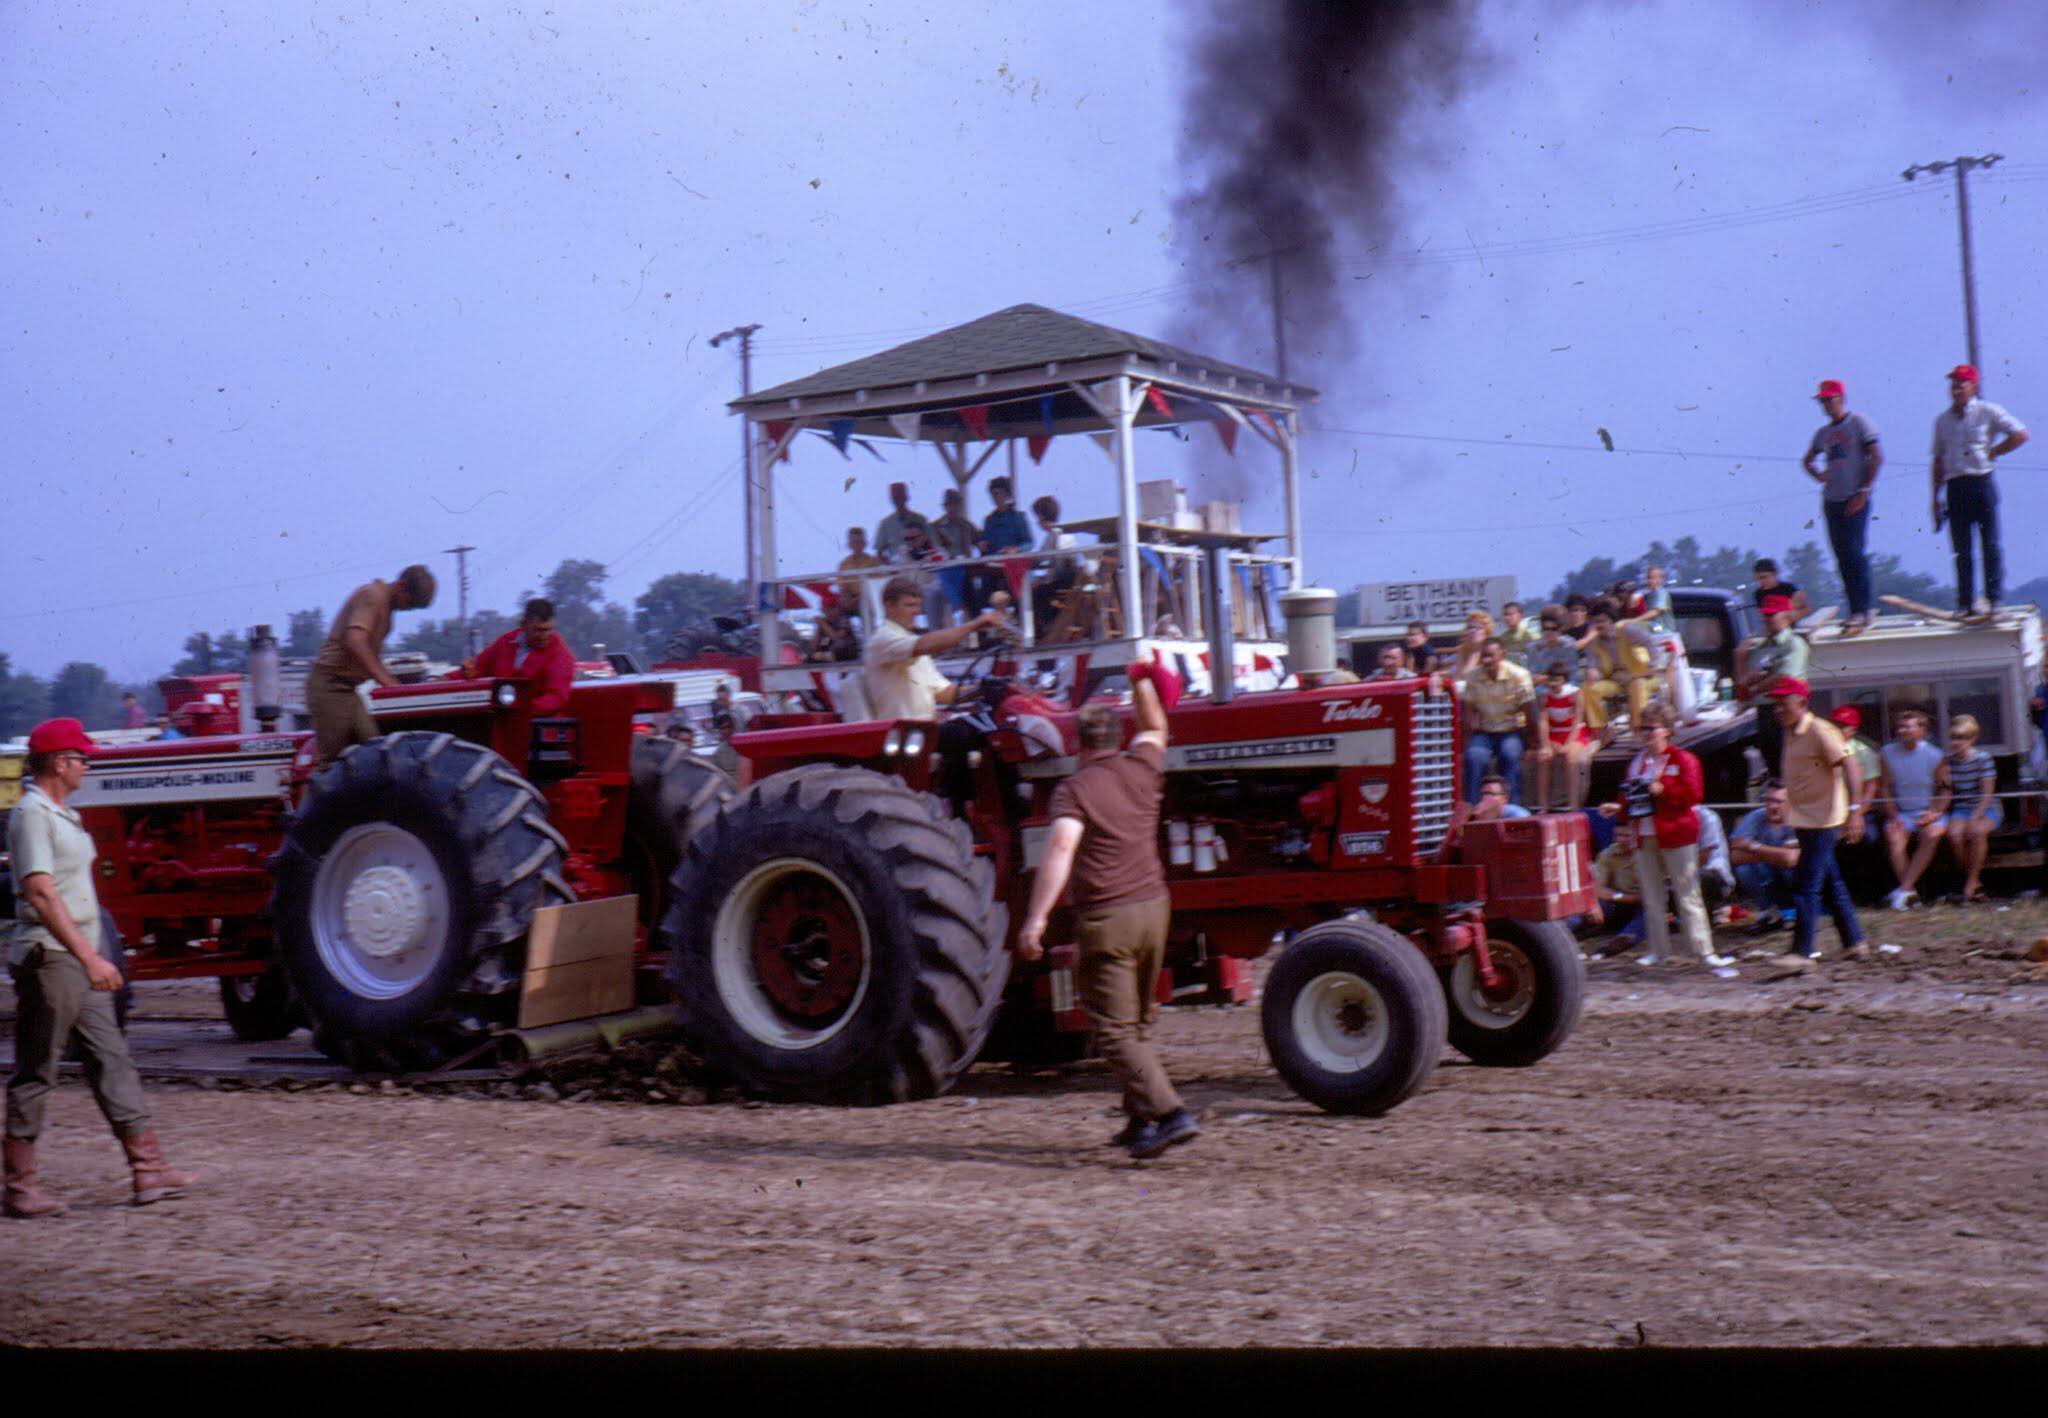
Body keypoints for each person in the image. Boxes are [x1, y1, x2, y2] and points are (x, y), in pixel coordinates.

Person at [6, 720, 199, 1218]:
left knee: (112, 1058)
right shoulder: (33, 816)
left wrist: (93, 955)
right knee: (37, 1070)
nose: (87, 765)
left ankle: (148, 1170)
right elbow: (41, 893)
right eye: (81, 758)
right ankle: (20, 1185)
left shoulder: (62, 814)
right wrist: (90, 957)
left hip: (78, 955)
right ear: (58, 763)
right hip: (51, 956)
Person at [1016, 656, 1198, 1161]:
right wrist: (1140, 681)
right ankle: (1140, 1124)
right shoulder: (1143, 765)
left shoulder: (1074, 789)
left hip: (1108, 918)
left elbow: (1059, 851)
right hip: (1154, 908)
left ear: (1077, 744)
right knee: (1136, 1023)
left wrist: (1036, 919)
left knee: (1113, 1029)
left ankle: (1170, 1114)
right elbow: (1157, 724)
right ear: (1117, 736)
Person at [1599, 702, 1717, 965]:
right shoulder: (1637, 762)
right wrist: (1617, 807)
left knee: (1687, 893)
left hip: (1675, 832)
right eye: (1643, 728)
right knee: (1652, 896)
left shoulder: (1683, 759)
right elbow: (1630, 796)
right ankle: (1658, 950)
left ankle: (1703, 950)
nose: (1646, 733)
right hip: (1644, 833)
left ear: (1666, 730)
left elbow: (1693, 795)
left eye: (1651, 728)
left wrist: (1663, 789)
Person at [1771, 676, 1868, 963]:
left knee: (1806, 886)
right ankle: (1854, 941)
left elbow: (1851, 766)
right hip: (1805, 817)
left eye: (1783, 703)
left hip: (1824, 819)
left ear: (1800, 703)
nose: (1777, 708)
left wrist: (1855, 810)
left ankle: (1801, 952)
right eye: (1775, 703)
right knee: (1829, 883)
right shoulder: (1790, 731)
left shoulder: (1821, 730)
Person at [305, 564, 436, 766]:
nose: (409, 609)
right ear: (401, 586)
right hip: (329, 686)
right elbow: (355, 640)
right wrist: (387, 682)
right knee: (329, 764)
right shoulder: (373, 596)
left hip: (347, 690)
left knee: (374, 751)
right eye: (410, 604)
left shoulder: (385, 606)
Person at [1931, 364, 2029, 616]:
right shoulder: (1942, 421)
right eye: (1953, 385)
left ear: (1972, 386)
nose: (1956, 389)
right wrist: (1934, 497)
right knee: (1962, 550)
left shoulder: (1987, 411)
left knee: (1990, 545)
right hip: (1955, 485)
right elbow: (1938, 460)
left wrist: (1995, 451)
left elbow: (2020, 434)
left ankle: (1994, 600)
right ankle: (1966, 603)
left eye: (1961, 384)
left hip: (1980, 481)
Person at [1803, 380, 1883, 633]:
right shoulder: (1823, 433)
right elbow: (1808, 460)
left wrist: (1864, 490)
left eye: (1830, 399)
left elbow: (1876, 456)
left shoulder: (1858, 423)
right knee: (1841, 556)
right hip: (1832, 499)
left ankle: (1862, 609)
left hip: (1854, 496)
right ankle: (1854, 609)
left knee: (1854, 552)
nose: (1826, 405)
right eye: (1823, 401)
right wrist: (1819, 475)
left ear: (1841, 398)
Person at [1878, 709, 1946, 910]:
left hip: (1929, 810)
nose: (1902, 731)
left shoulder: (1935, 755)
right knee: (1893, 834)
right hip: (1903, 812)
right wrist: (1892, 815)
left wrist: (1933, 813)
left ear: (1921, 730)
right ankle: (1910, 893)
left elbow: (1945, 789)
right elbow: (1885, 788)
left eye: (1907, 727)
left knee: (1932, 834)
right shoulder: (1887, 753)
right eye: (1899, 727)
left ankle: (1904, 890)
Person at [1736, 594, 1809, 777]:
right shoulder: (1760, 647)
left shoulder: (1794, 644)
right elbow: (1743, 684)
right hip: (1764, 711)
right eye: (1765, 615)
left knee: (1790, 763)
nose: (1766, 619)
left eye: (1771, 615)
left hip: (1787, 711)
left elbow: (1784, 677)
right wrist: (1739, 657)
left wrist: (1754, 687)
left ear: (1786, 616)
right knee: (1773, 763)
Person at [1932, 713, 2000, 904]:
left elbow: (1987, 793)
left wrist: (1976, 816)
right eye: (1953, 738)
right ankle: (1974, 880)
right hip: (1962, 807)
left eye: (1961, 738)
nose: (1956, 742)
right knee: (1954, 835)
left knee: (1976, 832)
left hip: (1986, 807)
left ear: (1972, 739)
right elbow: (1945, 791)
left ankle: (1968, 885)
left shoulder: (1983, 759)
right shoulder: (1947, 761)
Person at [463, 598, 575, 714]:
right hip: (500, 721)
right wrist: (449, 677)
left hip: (537, 725)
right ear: (523, 624)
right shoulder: (505, 642)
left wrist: (524, 710)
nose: (544, 636)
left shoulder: (560, 655)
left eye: (548, 630)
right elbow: (477, 668)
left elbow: (557, 697)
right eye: (538, 630)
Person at [1458, 638, 1535, 804]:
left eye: (1490, 656)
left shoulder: (1520, 675)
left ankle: (1510, 809)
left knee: (1509, 755)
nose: (1486, 660)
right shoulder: (1473, 677)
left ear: (1502, 655)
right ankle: (1472, 810)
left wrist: (1530, 744)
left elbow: (1529, 712)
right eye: (1484, 656)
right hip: (1485, 732)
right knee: (1473, 756)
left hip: (1512, 731)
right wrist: (1464, 743)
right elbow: (1468, 714)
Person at [1729, 781, 1801, 933]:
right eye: (1769, 801)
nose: (1772, 806)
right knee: (1744, 870)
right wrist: (1776, 854)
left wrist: (1753, 847)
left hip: (1794, 875)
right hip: (1766, 870)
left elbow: (1792, 858)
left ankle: (1795, 912)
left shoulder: (1798, 818)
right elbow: (1735, 854)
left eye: (1778, 802)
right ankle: (1769, 913)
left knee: (1788, 869)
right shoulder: (1756, 817)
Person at [1578, 599, 1653, 742]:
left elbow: (1649, 642)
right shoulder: (1593, 641)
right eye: (1595, 622)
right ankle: (1600, 730)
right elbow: (1593, 665)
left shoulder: (1625, 630)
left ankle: (1637, 731)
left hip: (1638, 675)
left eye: (1602, 621)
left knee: (1637, 685)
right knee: (1588, 689)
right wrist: (1592, 672)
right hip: (1614, 680)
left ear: (1611, 621)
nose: (1599, 625)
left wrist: (1653, 666)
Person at [1533, 664, 1591, 812]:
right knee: (1543, 757)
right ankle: (1543, 805)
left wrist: (1568, 743)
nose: (1554, 684)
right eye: (1551, 680)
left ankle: (1573, 804)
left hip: (1575, 732)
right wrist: (1546, 745)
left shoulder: (1575, 693)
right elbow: (1543, 721)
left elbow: (1577, 720)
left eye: (1557, 680)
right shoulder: (1544, 696)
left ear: (1564, 680)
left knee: (1570, 757)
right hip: (1555, 734)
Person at [1029, 495, 1083, 638]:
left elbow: (1042, 558)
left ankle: (1049, 628)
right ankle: (1051, 625)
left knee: (1036, 594)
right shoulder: (1060, 533)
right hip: (1070, 577)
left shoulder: (1056, 534)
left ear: (1041, 517)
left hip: (1066, 579)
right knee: (1040, 590)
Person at [1588, 822, 1647, 950]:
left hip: (1645, 905)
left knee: (1648, 911)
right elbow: (1597, 888)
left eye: (1626, 836)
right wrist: (1621, 897)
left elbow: (1649, 895)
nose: (1621, 840)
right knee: (1596, 907)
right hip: (1619, 902)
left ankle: (1622, 940)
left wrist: (1613, 895)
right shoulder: (1608, 854)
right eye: (1618, 835)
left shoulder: (1648, 854)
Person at [1829, 705, 1881, 845]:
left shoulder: (1864, 752)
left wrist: (1855, 815)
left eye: (1843, 726)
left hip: (1858, 808)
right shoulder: (1820, 749)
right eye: (1835, 725)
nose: (1837, 729)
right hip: (1828, 810)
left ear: (1854, 730)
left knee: (1869, 836)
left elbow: (1870, 789)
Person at [874, 482, 931, 564]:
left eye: (901, 497)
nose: (899, 501)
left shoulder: (921, 520)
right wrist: (890, 568)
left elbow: (933, 543)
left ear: (906, 497)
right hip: (899, 572)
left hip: (923, 567)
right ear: (892, 500)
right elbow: (879, 553)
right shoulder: (885, 524)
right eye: (896, 498)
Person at [1525, 604, 1579, 686]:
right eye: (1545, 629)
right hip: (1540, 690)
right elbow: (1531, 677)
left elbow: (1573, 677)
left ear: (1561, 629)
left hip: (1564, 689)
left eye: (1553, 629)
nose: (1548, 633)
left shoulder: (1568, 645)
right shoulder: (1533, 647)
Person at [808, 591, 861, 663]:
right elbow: (814, 647)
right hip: (833, 655)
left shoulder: (844, 618)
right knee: (811, 657)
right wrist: (819, 627)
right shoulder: (826, 622)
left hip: (848, 654)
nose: (829, 613)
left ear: (837, 608)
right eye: (825, 610)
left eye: (831, 609)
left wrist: (823, 624)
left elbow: (836, 637)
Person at [837, 526, 883, 605]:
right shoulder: (843, 564)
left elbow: (876, 584)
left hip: (870, 599)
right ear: (849, 544)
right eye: (854, 542)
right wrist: (847, 598)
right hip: (851, 599)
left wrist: (858, 599)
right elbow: (842, 586)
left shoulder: (873, 561)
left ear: (865, 543)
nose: (857, 545)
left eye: (859, 542)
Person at [1451, 609, 1494, 681]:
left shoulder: (1490, 650)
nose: (1474, 631)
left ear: (1487, 632)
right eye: (1470, 627)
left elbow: (1468, 676)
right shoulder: (1463, 650)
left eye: (1479, 628)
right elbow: (1458, 678)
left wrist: (1476, 652)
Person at [1497, 601, 1539, 667]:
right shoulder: (1501, 638)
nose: (1507, 618)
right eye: (1505, 615)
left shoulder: (1528, 637)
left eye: (1510, 614)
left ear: (1520, 615)